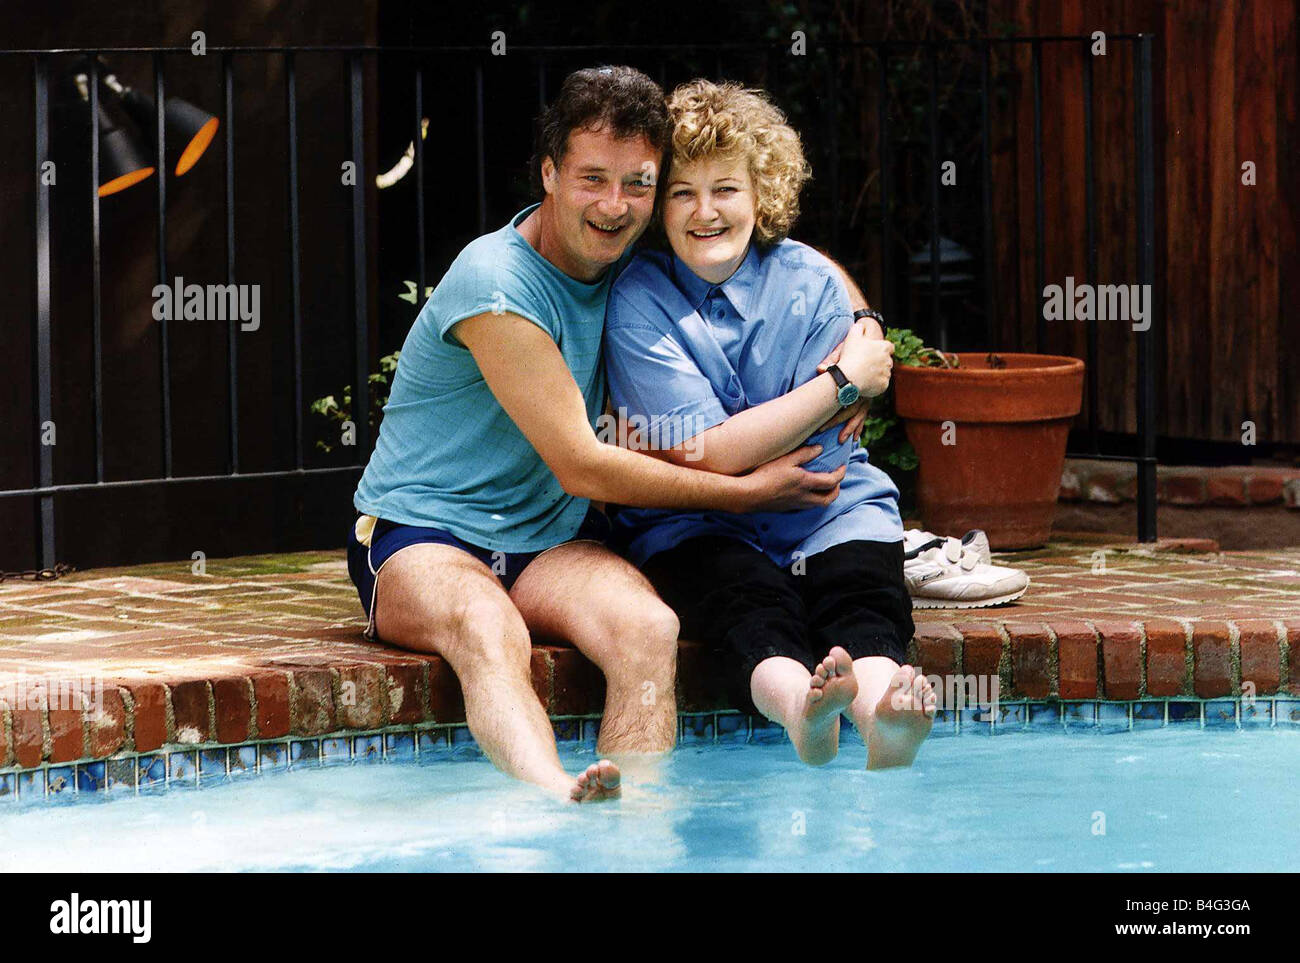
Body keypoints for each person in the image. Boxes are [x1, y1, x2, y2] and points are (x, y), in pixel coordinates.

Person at [345, 67, 853, 803]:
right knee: (487, 625)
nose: (615, 205)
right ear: (549, 174)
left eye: (638, 184)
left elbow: (798, 261)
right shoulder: (498, 283)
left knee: (650, 628)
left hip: (546, 541)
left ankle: (635, 829)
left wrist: (862, 339)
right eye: (593, 179)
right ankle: (555, 792)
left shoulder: (626, 260)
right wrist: (741, 493)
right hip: (424, 532)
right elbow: (581, 463)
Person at [604, 80, 937, 769]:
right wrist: (841, 381)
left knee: (862, 586)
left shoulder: (812, 281)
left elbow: (826, 451)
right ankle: (801, 709)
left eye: (725, 189)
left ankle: (881, 715)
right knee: (740, 602)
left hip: (826, 502)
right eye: (681, 192)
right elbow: (711, 456)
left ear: (763, 195)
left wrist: (775, 437)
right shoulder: (636, 300)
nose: (705, 212)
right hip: (696, 520)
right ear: (657, 207)